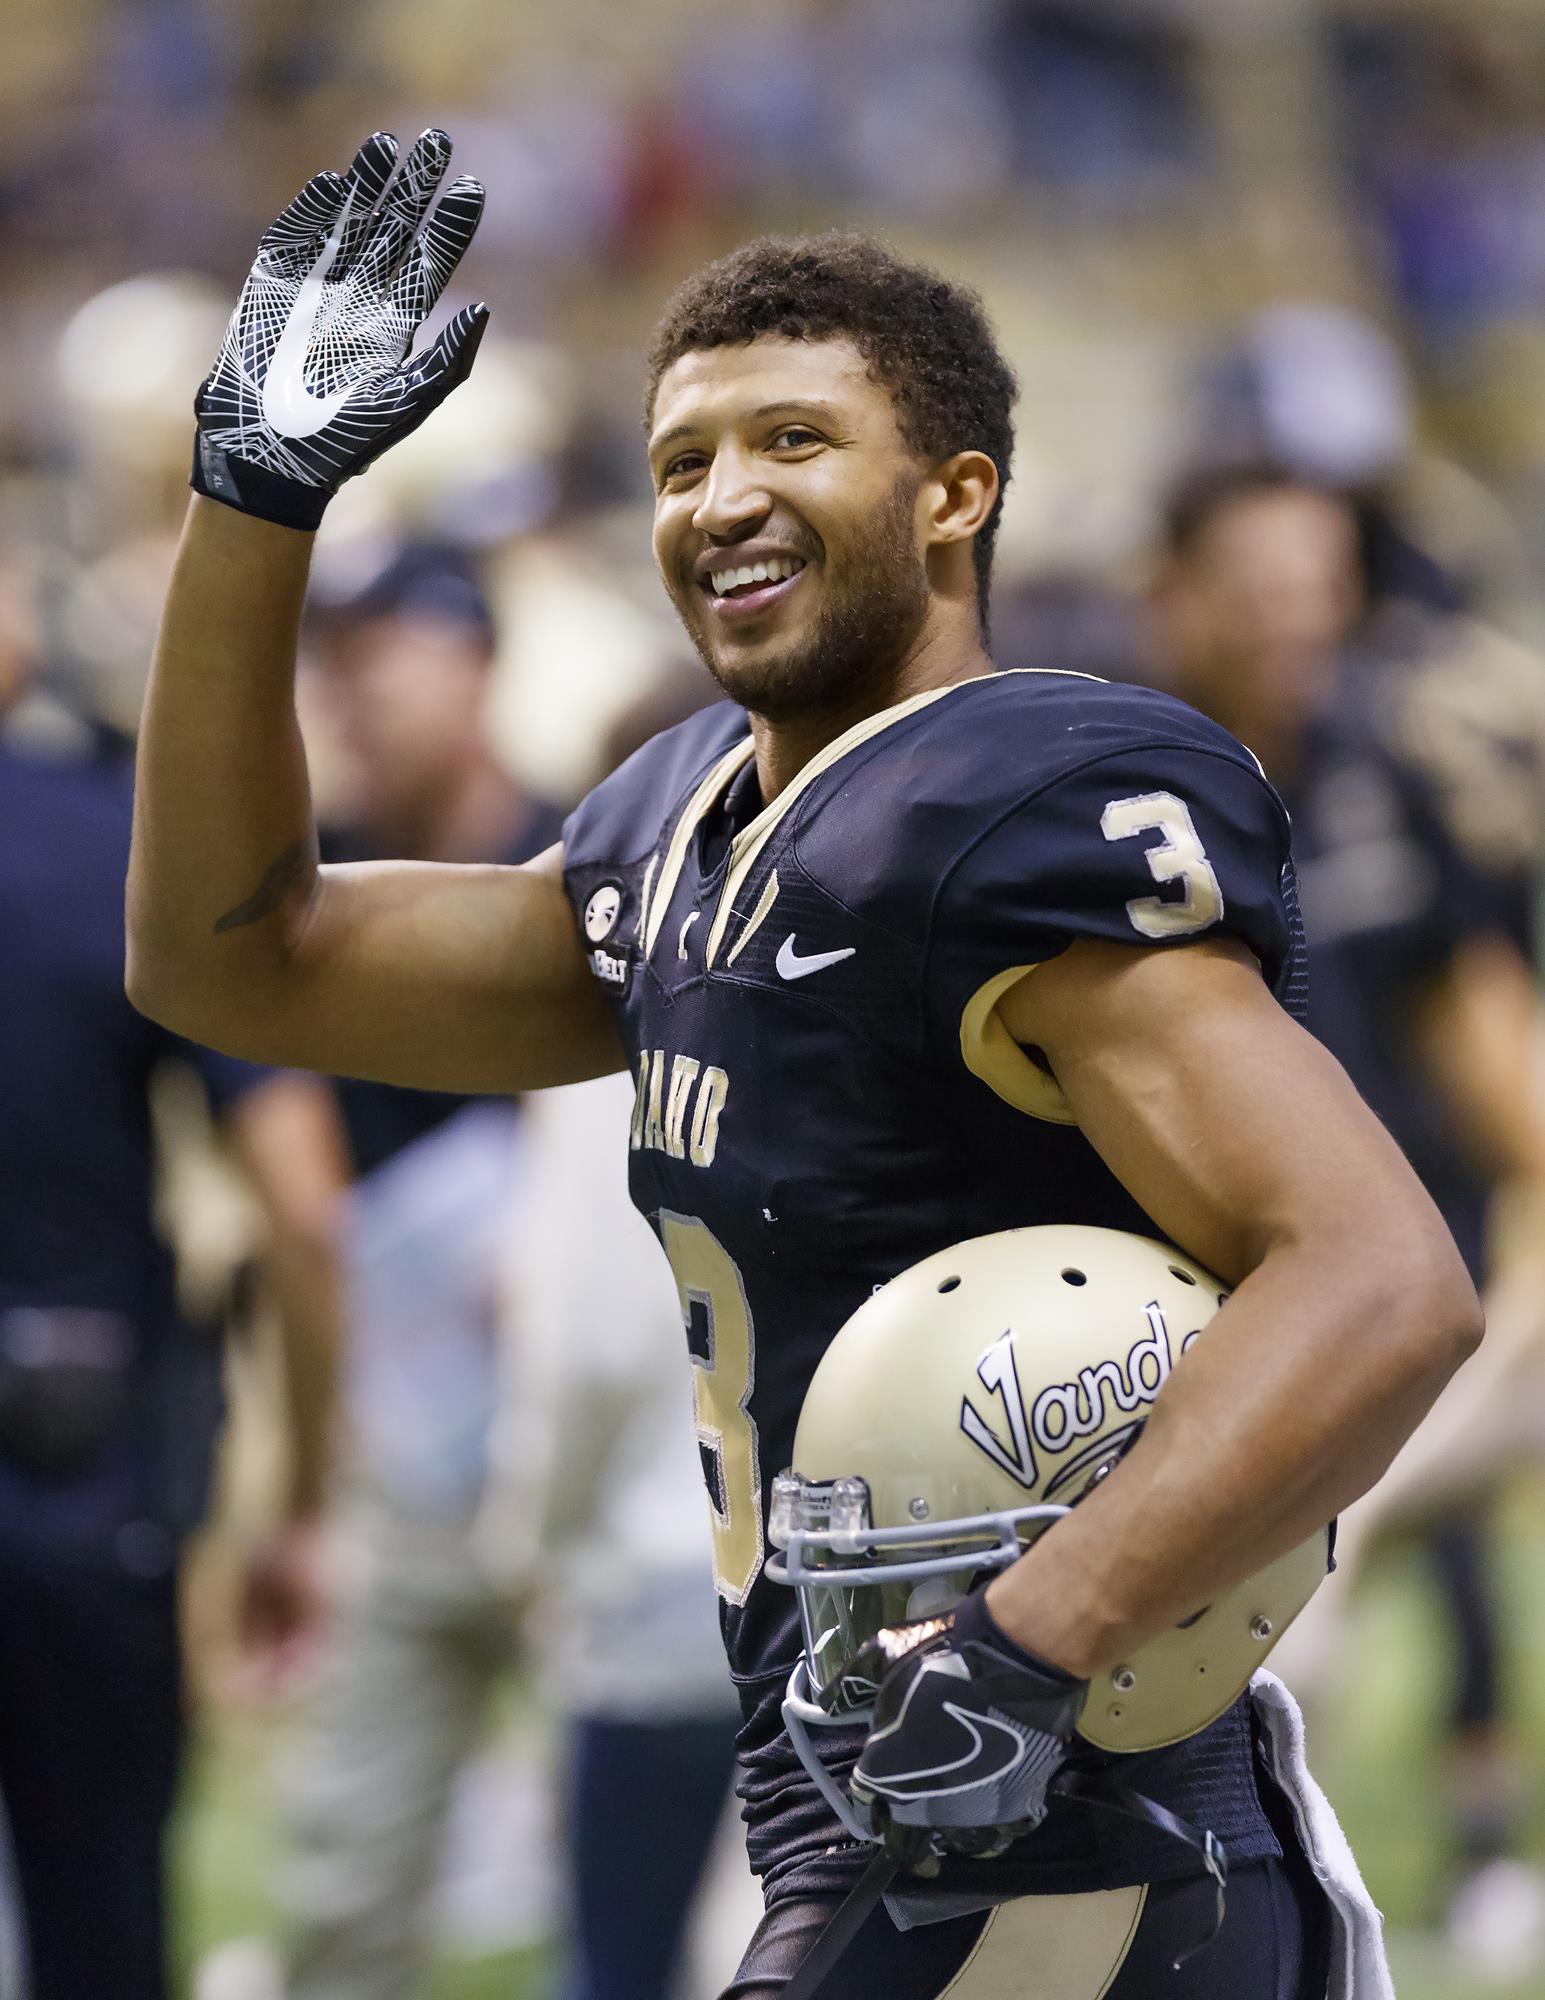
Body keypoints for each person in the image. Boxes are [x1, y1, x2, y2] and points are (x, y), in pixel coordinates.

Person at [127, 128, 1481, 1997]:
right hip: (875, 1808)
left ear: (953, 496)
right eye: (682, 460)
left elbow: (1385, 1279)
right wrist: (253, 504)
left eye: (792, 439)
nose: (723, 498)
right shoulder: (676, 833)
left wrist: (1030, 1640)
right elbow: (231, 960)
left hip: (1067, 1834)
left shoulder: (1001, 815)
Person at [1146, 459, 1545, 1972]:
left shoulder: (1385, 772)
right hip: (1209, 1278)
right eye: (1258, 590)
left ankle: (1481, 1832)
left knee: (1427, 1558)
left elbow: (1477, 1022)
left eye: (1319, 589)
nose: (1294, 621)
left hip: (1417, 1252)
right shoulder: (1115, 791)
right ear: (1175, 596)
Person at [0, 638, 346, 2000]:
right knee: (103, 1929)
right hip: (79, 1484)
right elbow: (304, 1211)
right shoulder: (113, 849)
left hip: (79, 1474)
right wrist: (302, 1504)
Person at [262, 542, 563, 2000]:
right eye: (339, 657)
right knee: (347, 1869)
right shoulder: (304, 893)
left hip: (591, 1448)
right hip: (405, 1442)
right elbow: (298, 1198)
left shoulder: (596, 860)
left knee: (655, 1865)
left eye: (391, 648)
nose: (360, 687)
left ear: (477, 660)